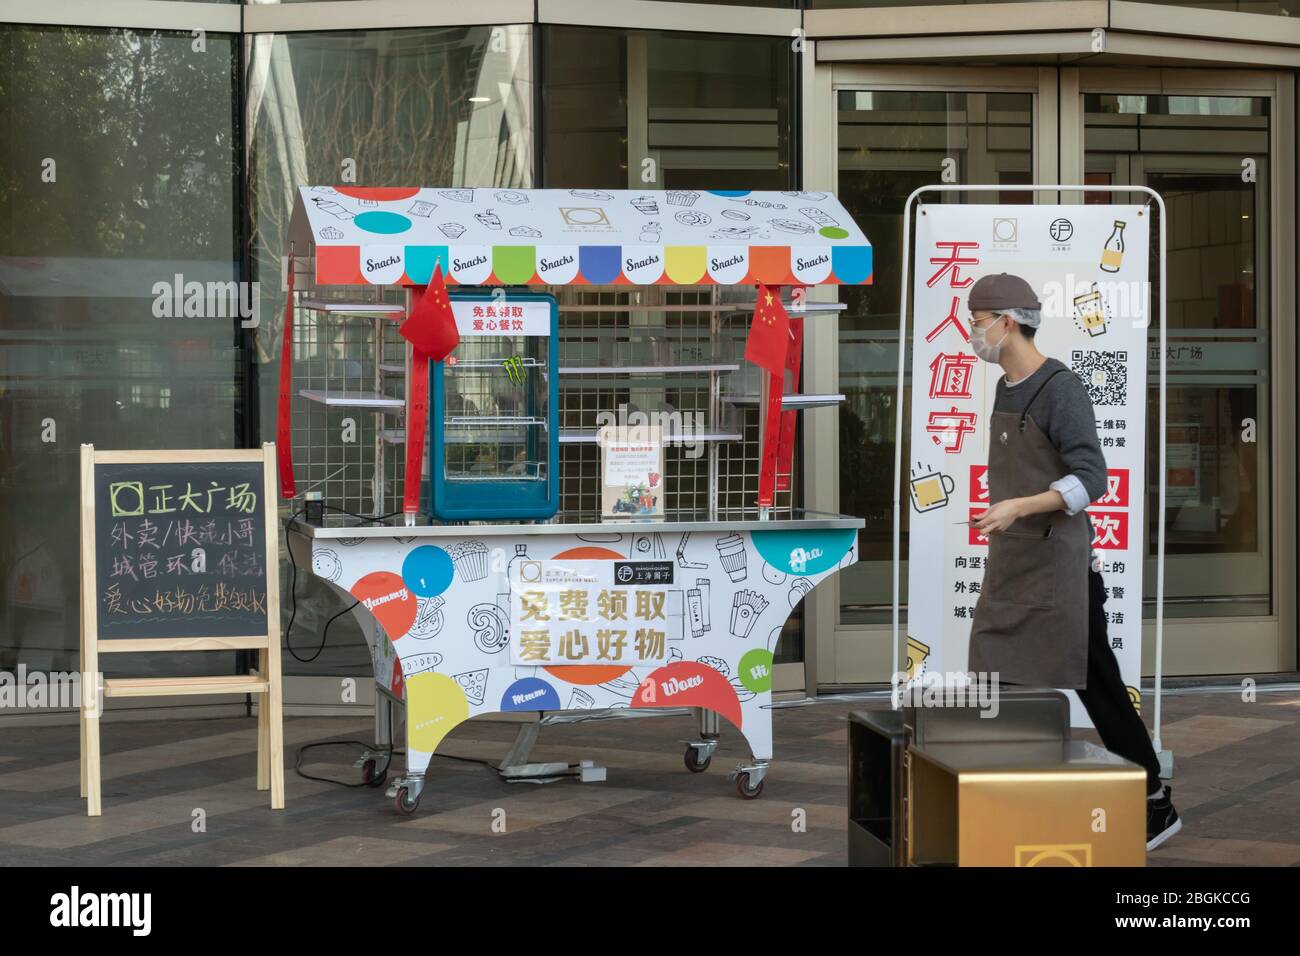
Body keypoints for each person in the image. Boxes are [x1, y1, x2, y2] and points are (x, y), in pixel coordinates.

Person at [964, 272, 1181, 852]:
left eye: (977, 322)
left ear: (1007, 322)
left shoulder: (1061, 387)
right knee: (995, 672)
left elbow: (1092, 479)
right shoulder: (1007, 386)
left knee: (1097, 685)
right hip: (1013, 564)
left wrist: (1021, 506)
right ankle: (1014, 798)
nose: (971, 334)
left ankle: (1154, 801)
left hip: (1061, 568)